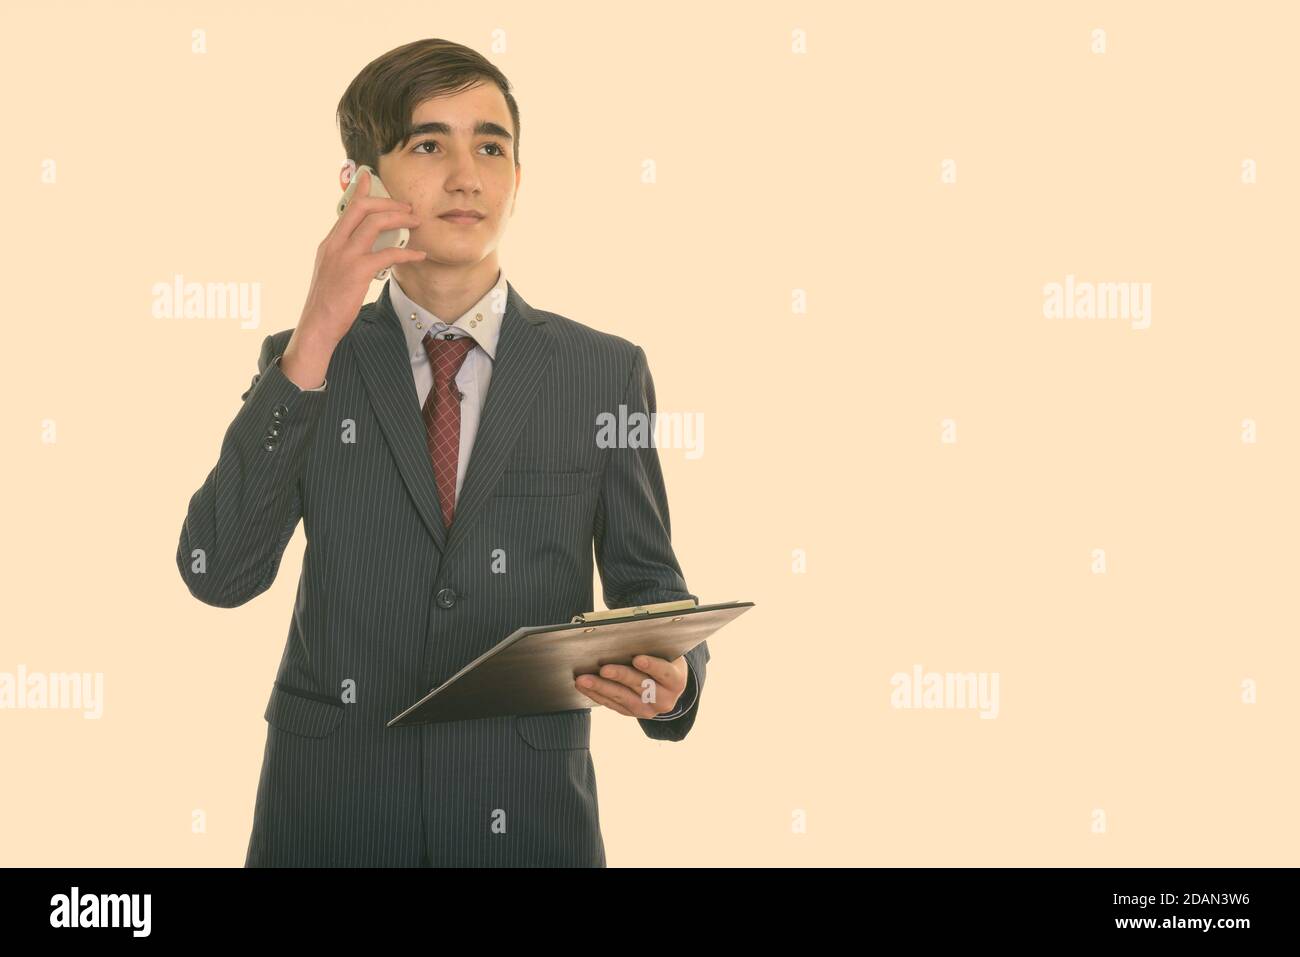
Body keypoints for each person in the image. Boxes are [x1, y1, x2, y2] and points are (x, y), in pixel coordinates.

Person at [176, 38, 709, 867]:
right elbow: (218, 571)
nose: (467, 174)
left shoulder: (605, 371)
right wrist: (319, 327)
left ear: (518, 177)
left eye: (491, 146)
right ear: (361, 182)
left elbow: (651, 584)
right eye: (429, 144)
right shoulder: (308, 361)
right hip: (330, 820)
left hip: (528, 824)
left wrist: (674, 679)